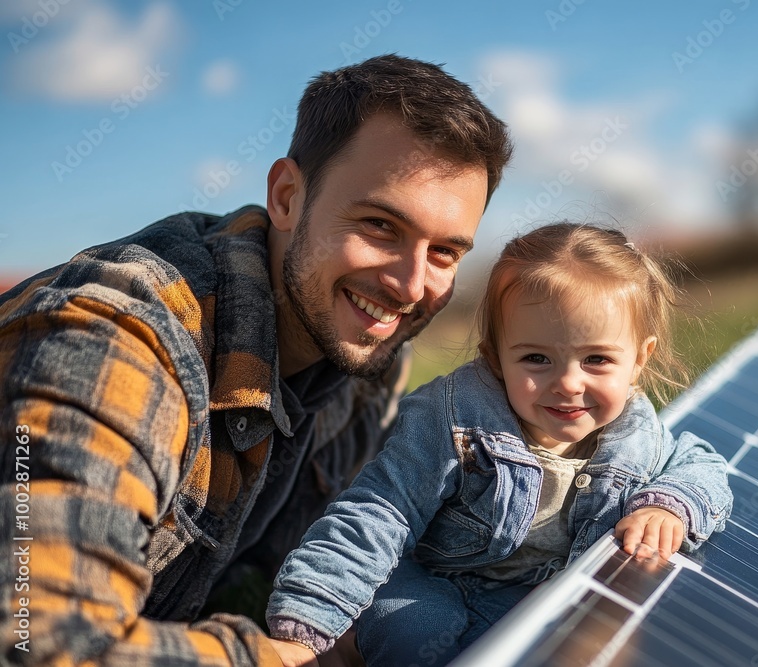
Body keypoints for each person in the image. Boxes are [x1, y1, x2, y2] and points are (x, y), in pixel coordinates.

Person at [0, 54, 512, 666]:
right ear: (287, 196)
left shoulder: (370, 357)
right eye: (380, 226)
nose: (409, 285)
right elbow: (40, 645)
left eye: (445, 252)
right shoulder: (118, 339)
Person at [266, 223, 734, 666]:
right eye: (536, 358)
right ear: (495, 357)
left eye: (596, 359)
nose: (568, 384)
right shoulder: (453, 419)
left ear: (638, 360)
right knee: (410, 634)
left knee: (562, 646)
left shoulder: (636, 435)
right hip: (431, 578)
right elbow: (381, 512)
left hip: (531, 589)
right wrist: (305, 622)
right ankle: (351, 645)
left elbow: (704, 465)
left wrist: (669, 506)